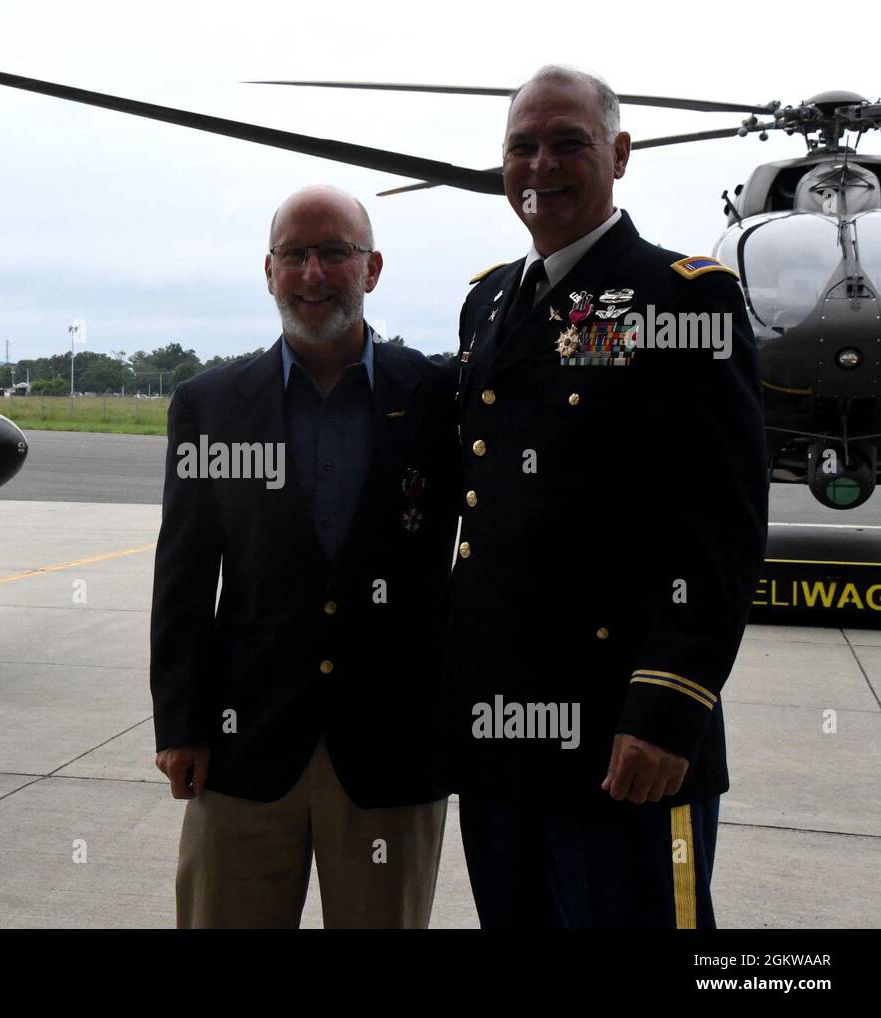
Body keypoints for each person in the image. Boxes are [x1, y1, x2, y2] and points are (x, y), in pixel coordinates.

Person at [449, 65, 768, 928]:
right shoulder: (488, 303)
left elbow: (721, 528)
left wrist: (669, 710)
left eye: (568, 143)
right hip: (500, 733)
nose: (540, 164)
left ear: (619, 155)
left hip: (622, 735)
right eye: (523, 145)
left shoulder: (681, 297)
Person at [150, 185, 457, 928]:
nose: (313, 274)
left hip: (393, 749)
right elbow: (185, 575)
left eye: (334, 254)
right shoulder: (212, 405)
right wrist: (180, 722)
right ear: (268, 270)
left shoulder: (438, 397)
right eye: (295, 255)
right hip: (240, 746)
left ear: (372, 268)